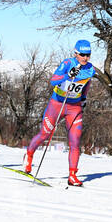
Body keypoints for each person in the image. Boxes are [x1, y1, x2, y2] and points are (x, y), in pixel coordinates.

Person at [25, 40, 97, 186]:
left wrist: (83, 98)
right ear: (76, 53)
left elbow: (87, 83)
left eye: (88, 55)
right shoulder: (67, 63)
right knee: (45, 134)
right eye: (82, 55)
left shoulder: (90, 69)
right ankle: (29, 154)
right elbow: (53, 80)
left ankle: (72, 175)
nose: (85, 58)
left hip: (74, 107)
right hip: (57, 104)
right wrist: (67, 75)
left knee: (75, 141)